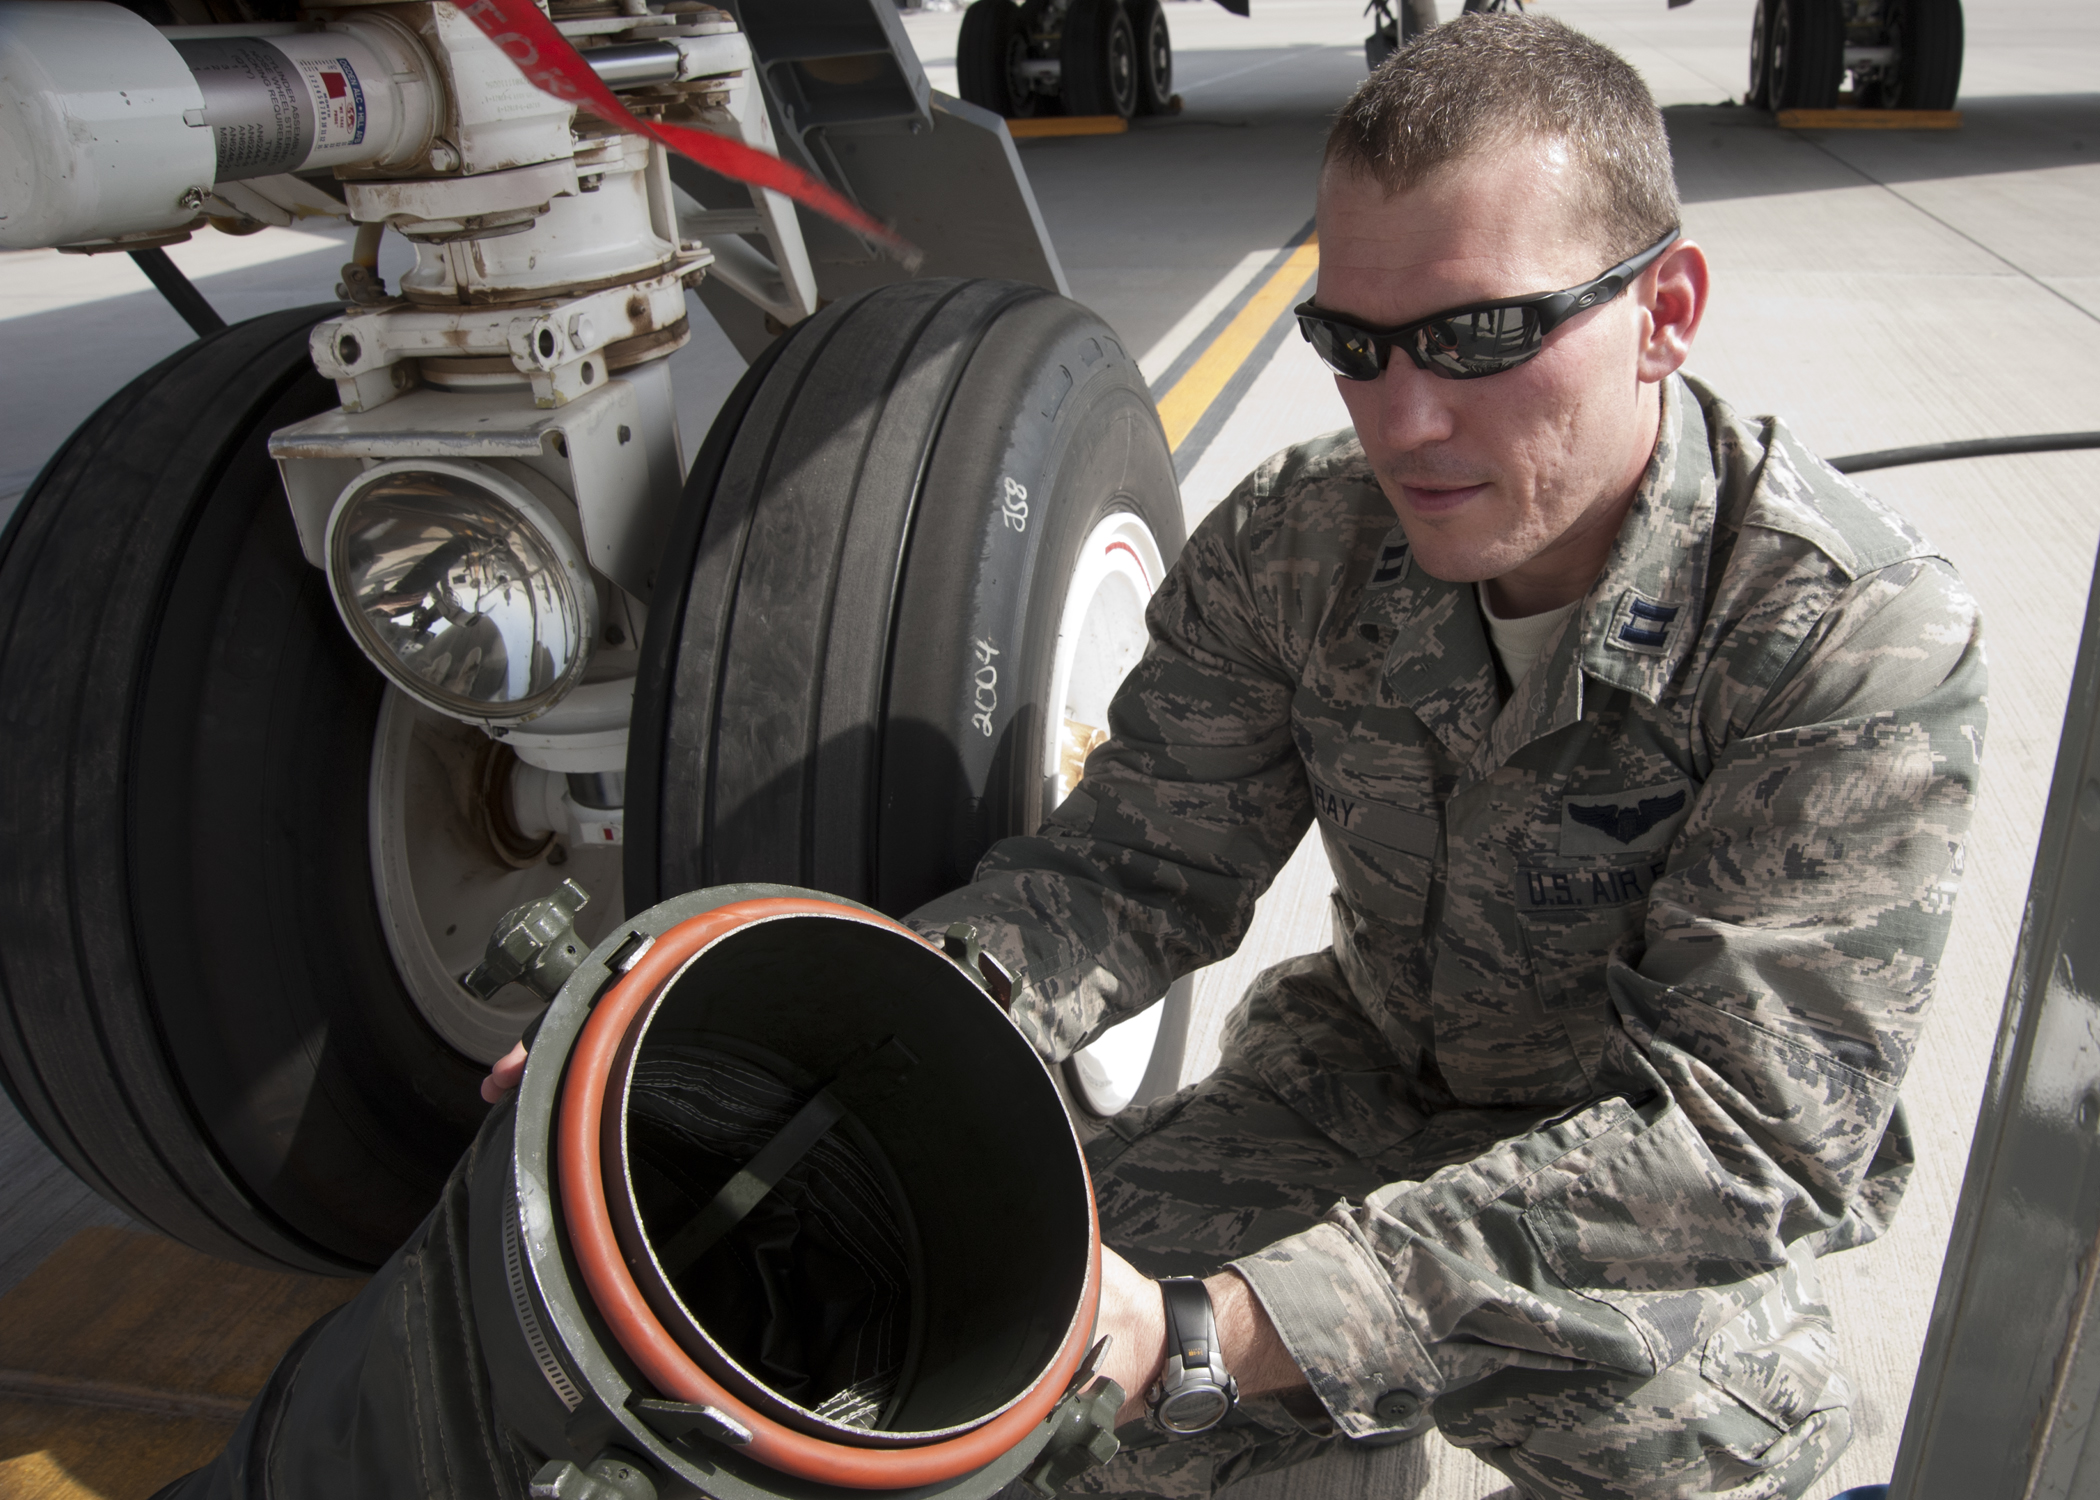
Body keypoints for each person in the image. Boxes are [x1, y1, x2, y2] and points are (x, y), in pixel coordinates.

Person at [903, 15, 1987, 1500]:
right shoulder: (1302, 542)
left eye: (1482, 338)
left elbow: (1743, 1139)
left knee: (1699, 1450)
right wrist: (834, 1033)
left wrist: (1234, 1328)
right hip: (1354, 1089)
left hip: (1638, 1201)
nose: (1403, 421)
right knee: (969, 1325)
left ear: (1666, 309)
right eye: (1353, 347)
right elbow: (1130, 872)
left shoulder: (1847, 636)